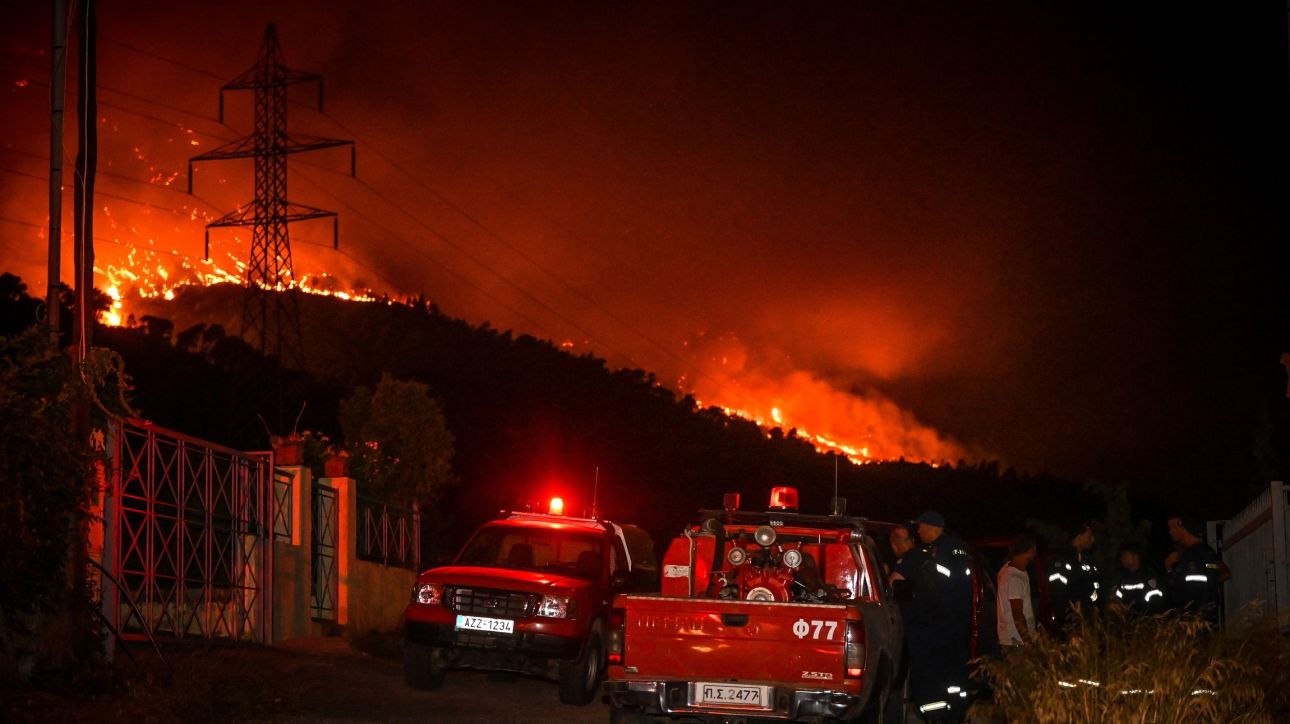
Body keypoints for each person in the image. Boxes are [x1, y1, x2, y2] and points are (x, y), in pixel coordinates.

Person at [905, 510, 973, 721]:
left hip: (937, 626)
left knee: (929, 675)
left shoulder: (938, 553)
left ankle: (934, 716)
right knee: (955, 676)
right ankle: (957, 712)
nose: (918, 530)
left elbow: (933, 592)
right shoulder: (959, 548)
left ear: (933, 528)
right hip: (958, 626)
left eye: (921, 526)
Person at [1165, 516, 1226, 626]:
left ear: (1184, 529)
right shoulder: (1203, 552)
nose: (1170, 531)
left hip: (1196, 619)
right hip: (1197, 617)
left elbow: (1177, 585)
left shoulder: (1196, 554)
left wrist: (1168, 568)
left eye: (1173, 527)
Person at [1046, 522, 1099, 627]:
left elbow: (1095, 586)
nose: (1093, 540)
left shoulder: (1087, 559)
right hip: (1072, 623)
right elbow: (1058, 595)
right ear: (1079, 538)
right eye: (1090, 536)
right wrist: (1067, 625)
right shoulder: (1061, 561)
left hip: (1090, 620)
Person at [996, 534, 1037, 648]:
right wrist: (1027, 641)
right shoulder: (1014, 578)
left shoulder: (1009, 569)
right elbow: (1017, 613)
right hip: (1017, 641)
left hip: (1014, 639)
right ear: (1031, 550)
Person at [1112, 542, 1166, 615]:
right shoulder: (1123, 577)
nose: (1121, 559)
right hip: (1127, 621)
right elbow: (1117, 596)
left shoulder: (1148, 575)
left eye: (1125, 555)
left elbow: (1155, 602)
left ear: (1136, 556)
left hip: (1145, 621)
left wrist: (1134, 609)